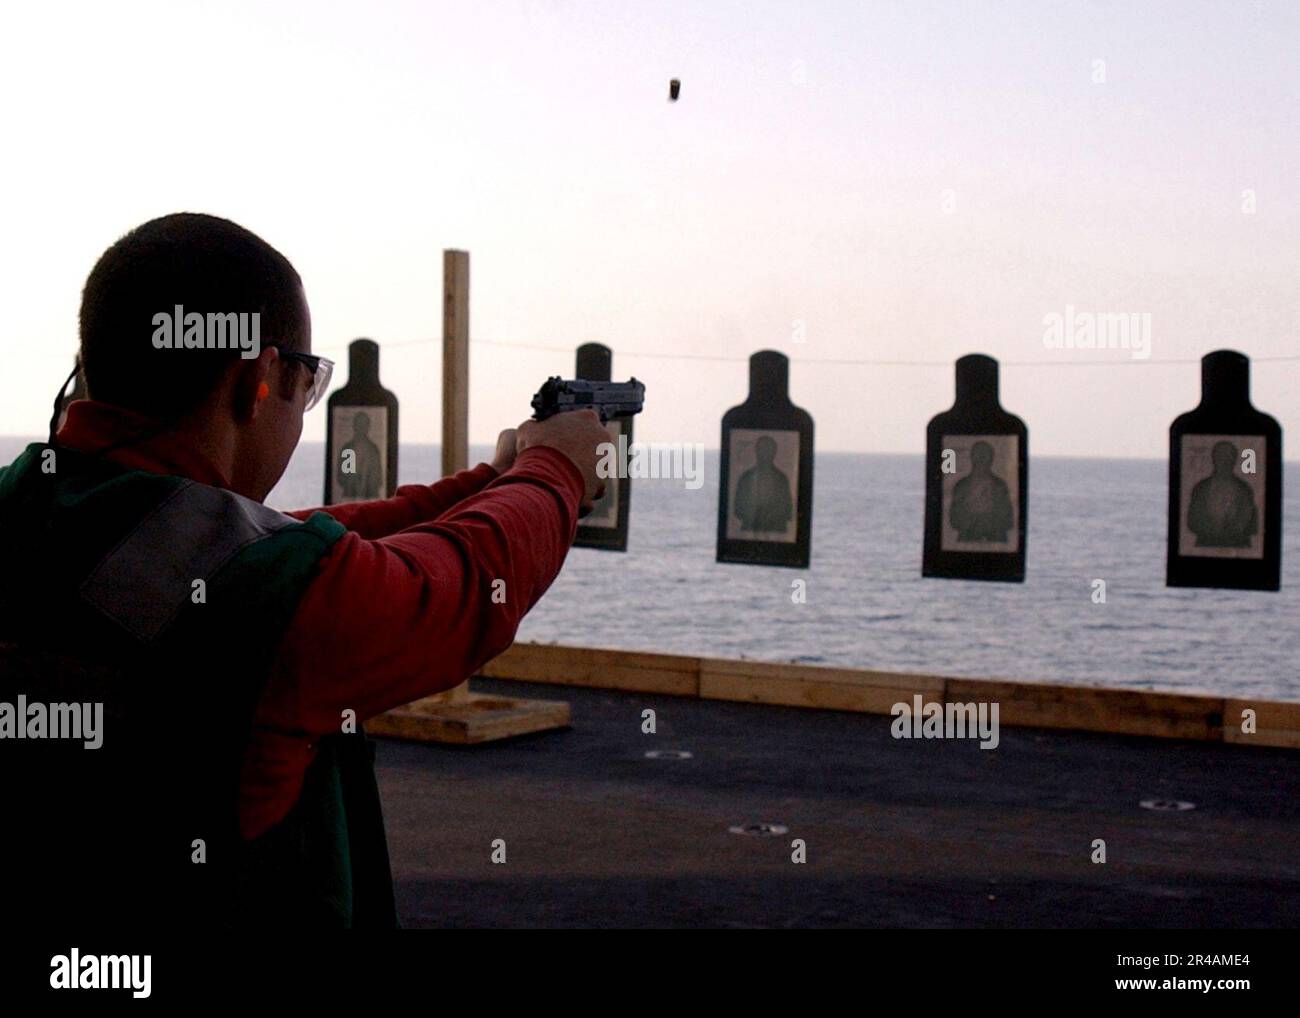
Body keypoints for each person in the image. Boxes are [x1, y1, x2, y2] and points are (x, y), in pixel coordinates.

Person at [0, 212, 608, 931]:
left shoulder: (39, 506)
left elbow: (295, 545)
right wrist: (560, 470)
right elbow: (457, 589)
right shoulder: (267, 595)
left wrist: (494, 480)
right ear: (259, 379)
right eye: (306, 383)